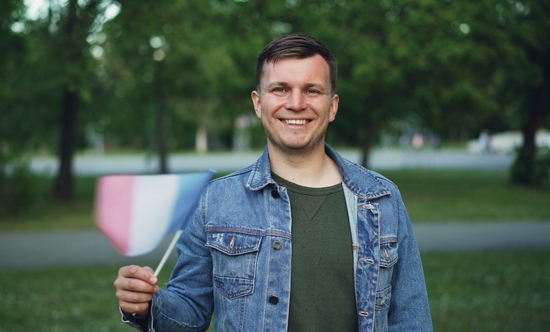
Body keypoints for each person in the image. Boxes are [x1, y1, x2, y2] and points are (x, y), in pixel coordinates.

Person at [114, 33, 433, 332]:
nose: (296, 103)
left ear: (332, 105)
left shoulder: (382, 198)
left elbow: (411, 319)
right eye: (280, 89)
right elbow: (189, 315)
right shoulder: (215, 201)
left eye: (312, 90)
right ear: (258, 103)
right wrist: (147, 304)